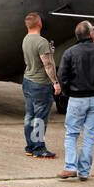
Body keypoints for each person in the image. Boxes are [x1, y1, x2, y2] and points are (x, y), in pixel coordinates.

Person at [55, 20, 94, 181]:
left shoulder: (70, 52)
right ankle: (84, 171)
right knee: (90, 136)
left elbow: (63, 76)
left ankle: (70, 167)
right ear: (91, 34)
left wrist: (67, 93)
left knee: (72, 133)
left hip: (77, 98)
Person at [21, 12, 60, 159]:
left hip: (28, 80)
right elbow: (48, 65)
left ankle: (30, 146)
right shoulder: (41, 41)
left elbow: (37, 57)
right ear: (40, 24)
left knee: (29, 115)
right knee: (40, 118)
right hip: (40, 84)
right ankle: (39, 148)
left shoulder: (26, 39)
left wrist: (48, 52)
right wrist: (55, 82)